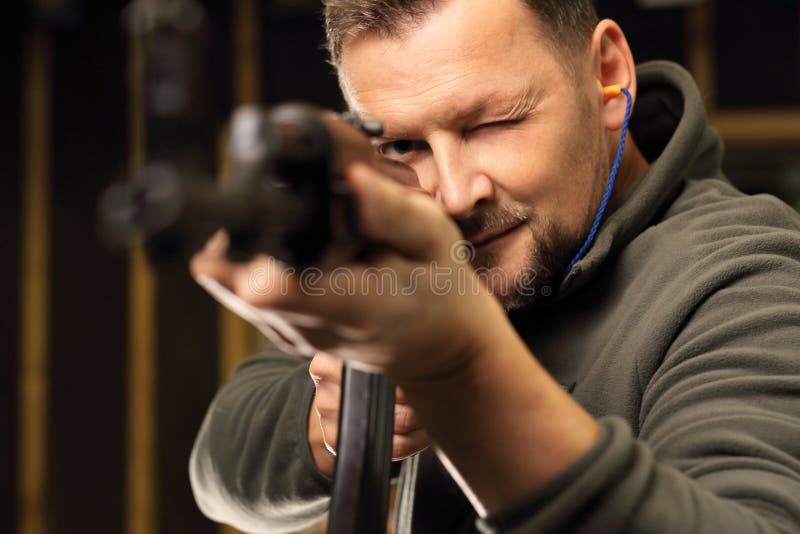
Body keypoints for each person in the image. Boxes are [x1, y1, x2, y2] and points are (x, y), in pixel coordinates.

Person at [188, 0, 800, 532]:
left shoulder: (750, 274)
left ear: (607, 75)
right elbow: (218, 471)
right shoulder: (410, 248)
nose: (455, 196)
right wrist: (328, 425)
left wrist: (457, 372)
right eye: (404, 145)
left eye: (493, 123)